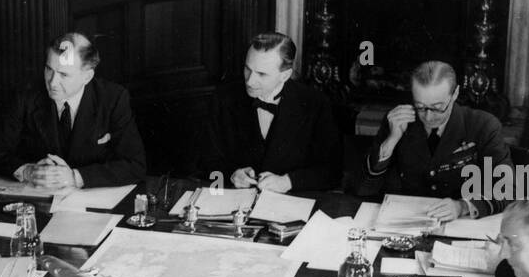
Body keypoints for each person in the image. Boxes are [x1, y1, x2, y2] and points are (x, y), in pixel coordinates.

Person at [0, 31, 147, 190]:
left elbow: (135, 165)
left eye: (64, 75)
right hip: (37, 199)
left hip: (91, 205)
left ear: (87, 76)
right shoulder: (26, 95)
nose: (52, 82)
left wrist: (75, 177)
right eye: (49, 69)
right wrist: (27, 171)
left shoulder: (112, 99)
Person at [359, 60, 512, 219]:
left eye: (438, 108)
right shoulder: (398, 121)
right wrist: (390, 141)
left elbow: (508, 189)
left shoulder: (483, 125)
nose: (428, 117)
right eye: (420, 107)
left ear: (455, 94)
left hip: (462, 225)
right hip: (408, 225)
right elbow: (364, 188)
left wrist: (463, 206)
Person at [200, 32, 341, 193]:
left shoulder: (315, 103)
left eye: (261, 74)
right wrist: (231, 175)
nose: (250, 81)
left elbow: (332, 172)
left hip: (291, 206)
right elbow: (206, 162)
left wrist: (288, 182)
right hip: (236, 206)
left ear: (285, 75)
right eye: (247, 69)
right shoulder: (224, 98)